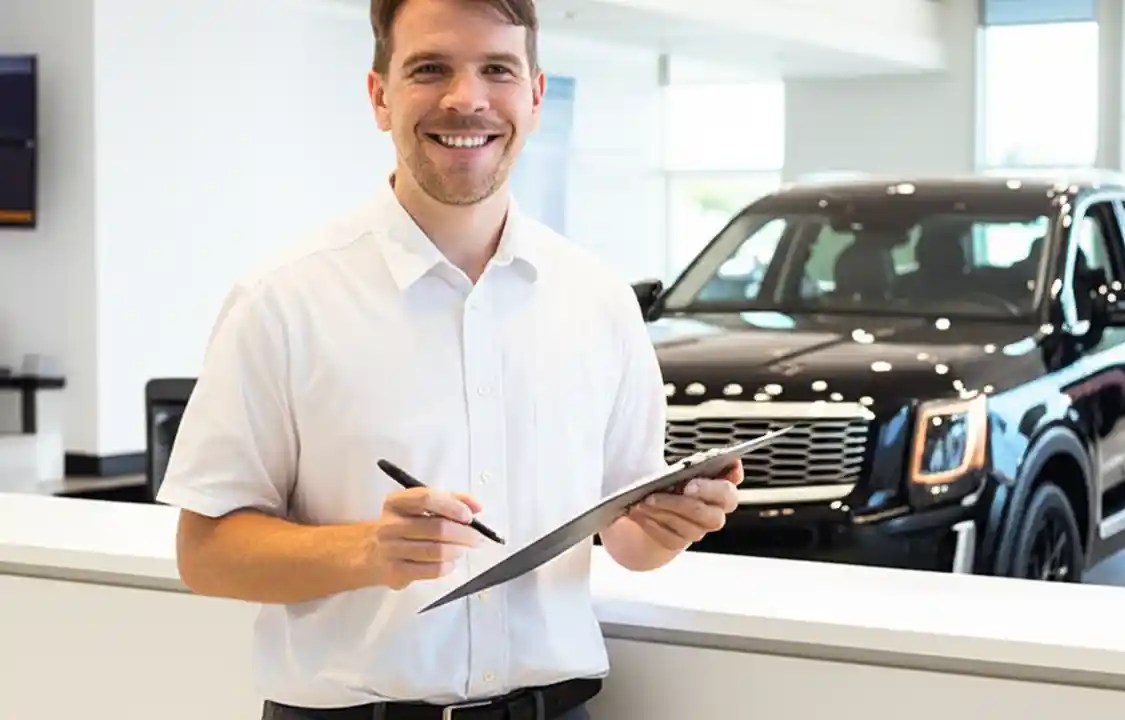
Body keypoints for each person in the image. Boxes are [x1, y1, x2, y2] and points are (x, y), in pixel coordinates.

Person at [155, 0, 744, 718]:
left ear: (534, 96)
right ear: (380, 96)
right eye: (430, 68)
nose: (466, 99)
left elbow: (628, 539)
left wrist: (668, 527)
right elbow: (206, 552)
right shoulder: (282, 300)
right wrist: (370, 550)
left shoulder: (599, 300)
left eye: (497, 69)